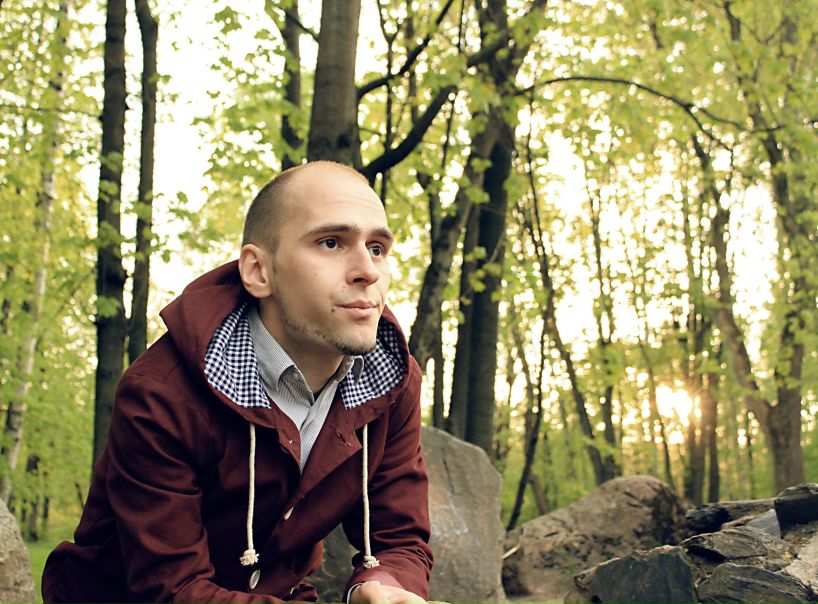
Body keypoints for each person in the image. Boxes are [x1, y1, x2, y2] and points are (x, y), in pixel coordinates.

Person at [42, 161, 433, 604]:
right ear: (258, 272)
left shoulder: (391, 383)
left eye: (378, 248)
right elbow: (172, 590)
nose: (368, 270)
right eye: (331, 242)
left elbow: (401, 540)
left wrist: (382, 587)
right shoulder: (162, 394)